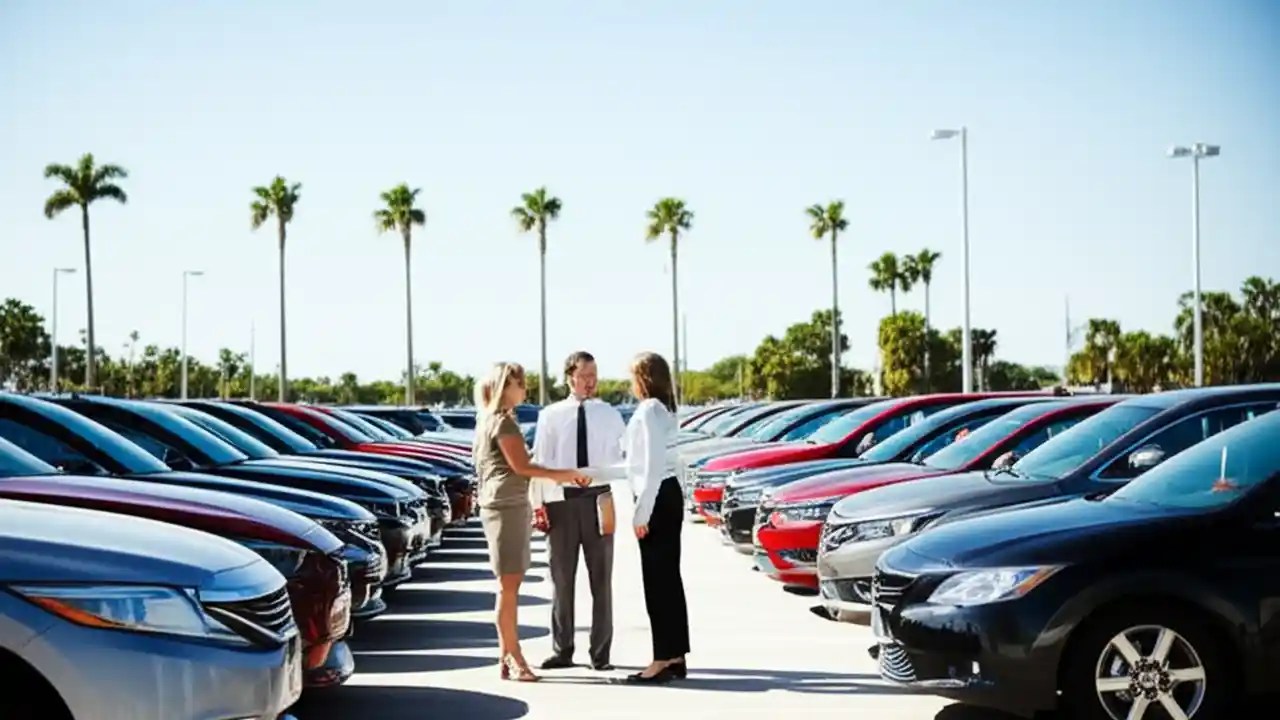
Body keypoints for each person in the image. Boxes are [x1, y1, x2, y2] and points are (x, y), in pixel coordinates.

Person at [471, 361, 592, 682]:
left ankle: (506, 655)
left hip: (501, 503)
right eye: (519, 383)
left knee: (508, 585)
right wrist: (566, 474)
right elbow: (522, 467)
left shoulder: (488, 421)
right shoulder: (504, 424)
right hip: (507, 507)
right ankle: (515, 657)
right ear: (503, 387)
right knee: (509, 587)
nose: (523, 388)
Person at [529, 350, 627, 671]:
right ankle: (562, 649)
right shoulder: (552, 415)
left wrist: (599, 472)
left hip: (599, 499)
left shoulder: (610, 414)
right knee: (561, 579)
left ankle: (601, 654)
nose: (590, 382)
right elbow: (540, 461)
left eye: (594, 375)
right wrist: (538, 504)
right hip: (562, 502)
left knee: (602, 580)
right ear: (570, 376)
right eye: (584, 375)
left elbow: (622, 457)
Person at [620, 351, 689, 684]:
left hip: (657, 497)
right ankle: (676, 655)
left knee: (657, 583)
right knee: (669, 580)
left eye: (634, 376)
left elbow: (650, 466)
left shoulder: (648, 410)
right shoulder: (665, 409)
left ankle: (661, 659)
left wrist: (640, 512)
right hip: (668, 493)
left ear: (643, 378)